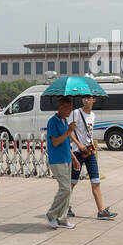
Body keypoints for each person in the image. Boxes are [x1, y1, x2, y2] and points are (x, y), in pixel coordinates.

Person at [68, 96, 116, 219]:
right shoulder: (76, 113)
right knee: (73, 182)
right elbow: (69, 132)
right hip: (78, 153)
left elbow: (89, 133)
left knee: (96, 181)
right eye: (84, 98)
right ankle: (64, 206)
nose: (86, 100)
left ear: (94, 100)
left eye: (89, 98)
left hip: (90, 153)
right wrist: (78, 144)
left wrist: (89, 145)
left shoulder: (93, 116)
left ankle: (101, 211)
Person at [44, 96, 76, 229]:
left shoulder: (64, 121)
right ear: (61, 107)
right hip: (57, 160)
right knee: (65, 188)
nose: (70, 111)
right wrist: (69, 131)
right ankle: (52, 214)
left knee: (67, 190)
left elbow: (66, 143)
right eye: (68, 108)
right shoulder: (53, 121)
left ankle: (62, 218)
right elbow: (55, 142)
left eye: (71, 108)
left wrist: (74, 159)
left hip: (66, 158)